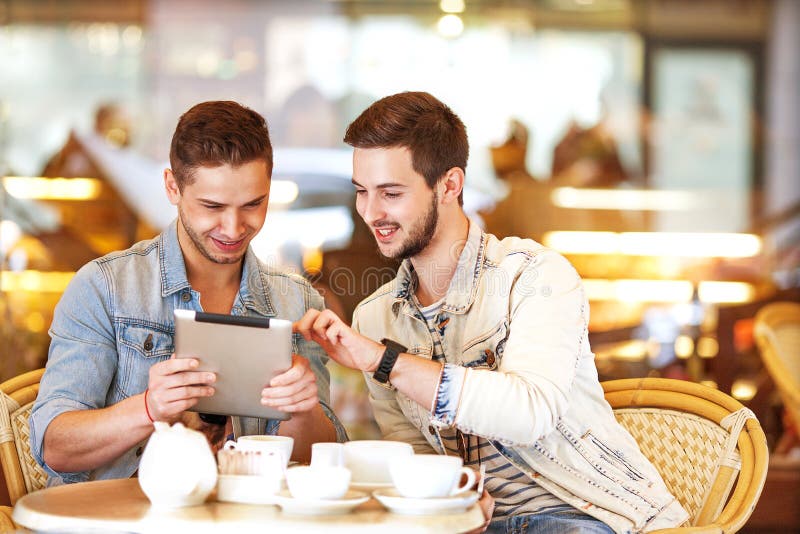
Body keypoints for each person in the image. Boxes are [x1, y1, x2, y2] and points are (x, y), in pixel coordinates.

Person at [295, 92, 688, 533]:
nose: (371, 212)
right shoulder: (375, 317)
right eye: (362, 192)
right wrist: (451, 499)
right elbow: (415, 453)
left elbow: (529, 411)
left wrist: (383, 360)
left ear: (449, 185)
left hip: (584, 515)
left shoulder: (536, 276)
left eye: (391, 193)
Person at [30, 100, 346, 485]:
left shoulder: (296, 301)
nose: (233, 228)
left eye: (253, 204)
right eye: (212, 206)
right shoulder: (105, 288)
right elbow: (55, 446)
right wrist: (149, 408)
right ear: (172, 187)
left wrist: (300, 408)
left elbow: (317, 460)